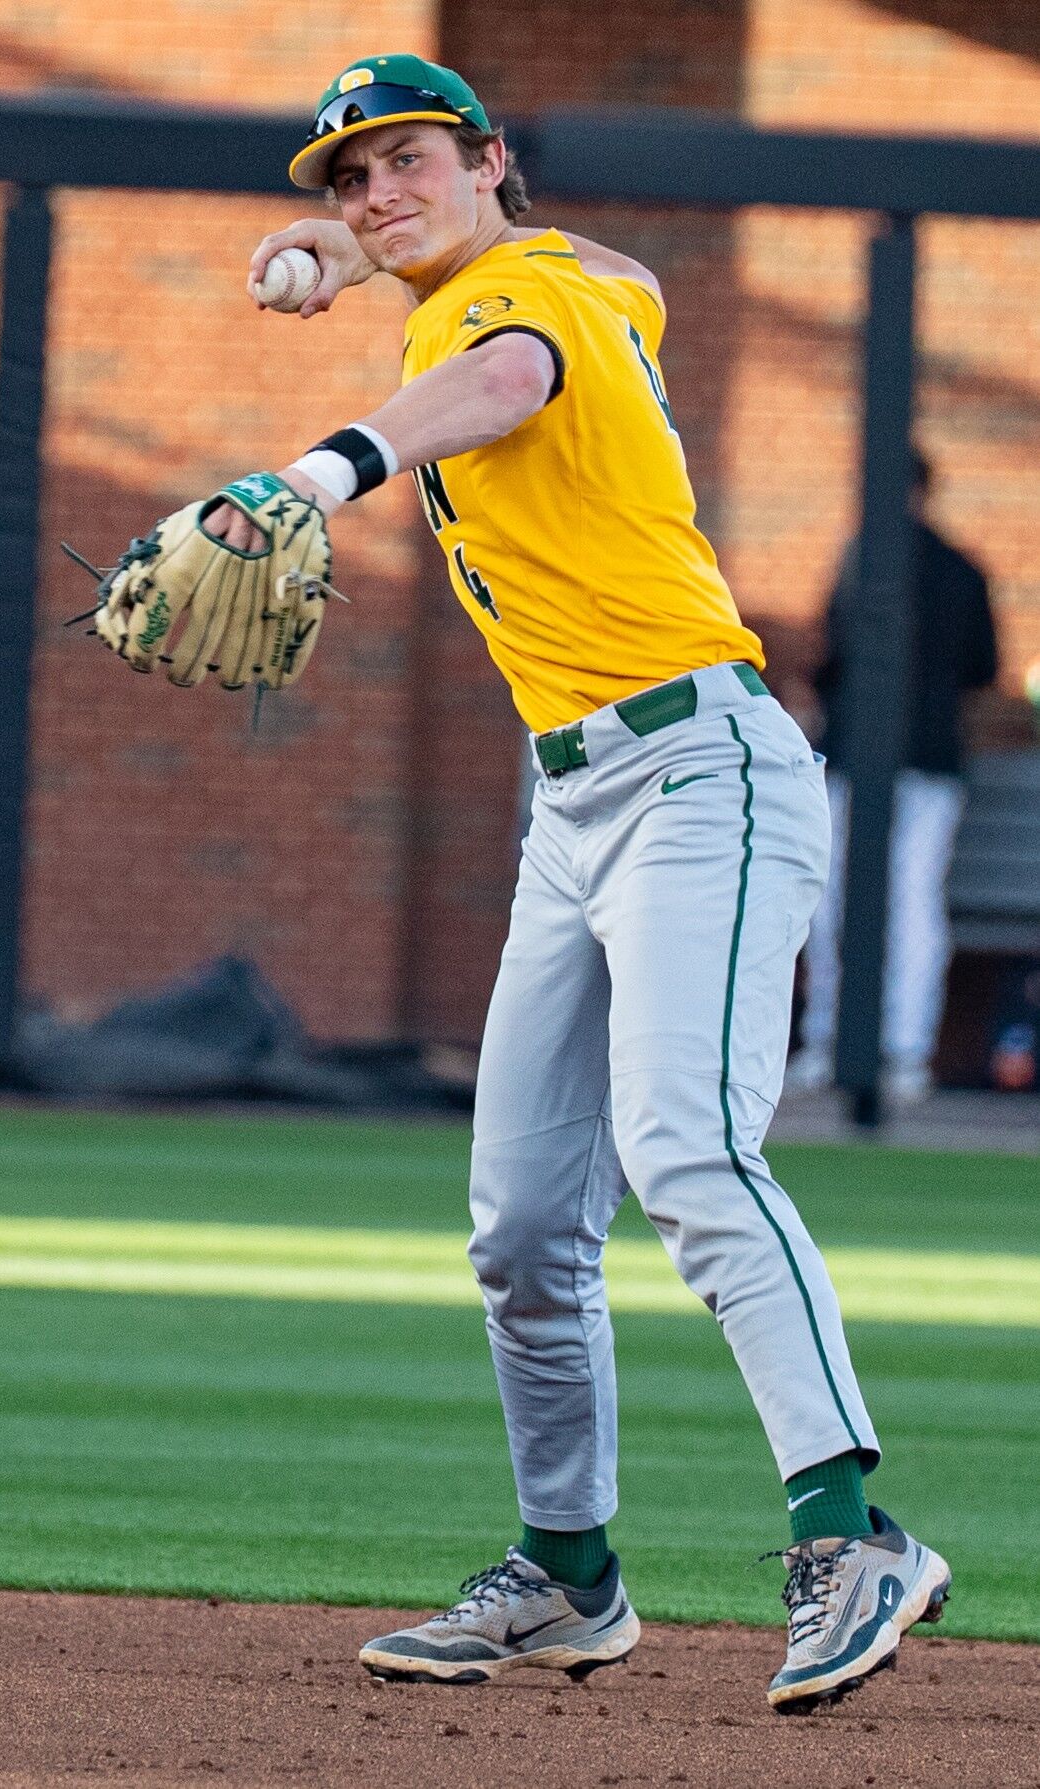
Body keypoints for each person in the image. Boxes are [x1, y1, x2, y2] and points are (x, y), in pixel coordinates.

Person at [212, 53, 949, 1710]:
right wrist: (365, 255)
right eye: (344, 177)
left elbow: (509, 375)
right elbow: (615, 277)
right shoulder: (545, 274)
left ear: (489, 160)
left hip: (705, 771)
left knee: (686, 1144)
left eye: (403, 161)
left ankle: (855, 1527)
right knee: (522, 1223)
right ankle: (569, 1572)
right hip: (574, 805)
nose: (370, 192)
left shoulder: (522, 305)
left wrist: (321, 468)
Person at [789, 451, 999, 1103]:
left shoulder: (871, 560)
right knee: (889, 897)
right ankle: (891, 1049)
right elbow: (980, 668)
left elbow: (835, 654)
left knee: (854, 896)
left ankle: (844, 1043)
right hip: (912, 757)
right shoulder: (957, 568)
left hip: (876, 754)